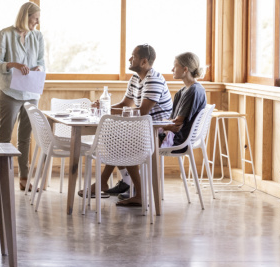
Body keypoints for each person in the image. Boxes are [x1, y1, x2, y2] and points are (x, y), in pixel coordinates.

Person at [81, 44, 173, 206]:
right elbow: (125, 104)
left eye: (133, 56)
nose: (130, 59)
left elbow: (142, 111)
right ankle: (110, 182)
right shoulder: (135, 79)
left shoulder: (154, 80)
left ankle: (135, 192)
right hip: (142, 129)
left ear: (144, 61)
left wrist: (107, 111)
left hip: (158, 132)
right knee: (111, 138)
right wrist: (104, 107)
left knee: (121, 143)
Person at [0, 1, 45, 190]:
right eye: (35, 18)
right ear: (25, 16)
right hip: (10, 92)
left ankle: (24, 178)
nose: (37, 22)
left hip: (31, 92)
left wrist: (39, 68)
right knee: (4, 136)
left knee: (25, 138)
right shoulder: (4, 34)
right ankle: (0, 178)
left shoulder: (38, 36)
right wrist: (12, 64)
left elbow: (41, 61)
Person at [162, 52, 207, 152]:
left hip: (179, 141)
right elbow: (171, 120)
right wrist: (165, 125)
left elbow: (176, 124)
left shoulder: (193, 91)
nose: (172, 69)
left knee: (140, 141)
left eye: (175, 66)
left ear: (185, 69)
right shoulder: (181, 92)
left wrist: (160, 126)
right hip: (176, 138)